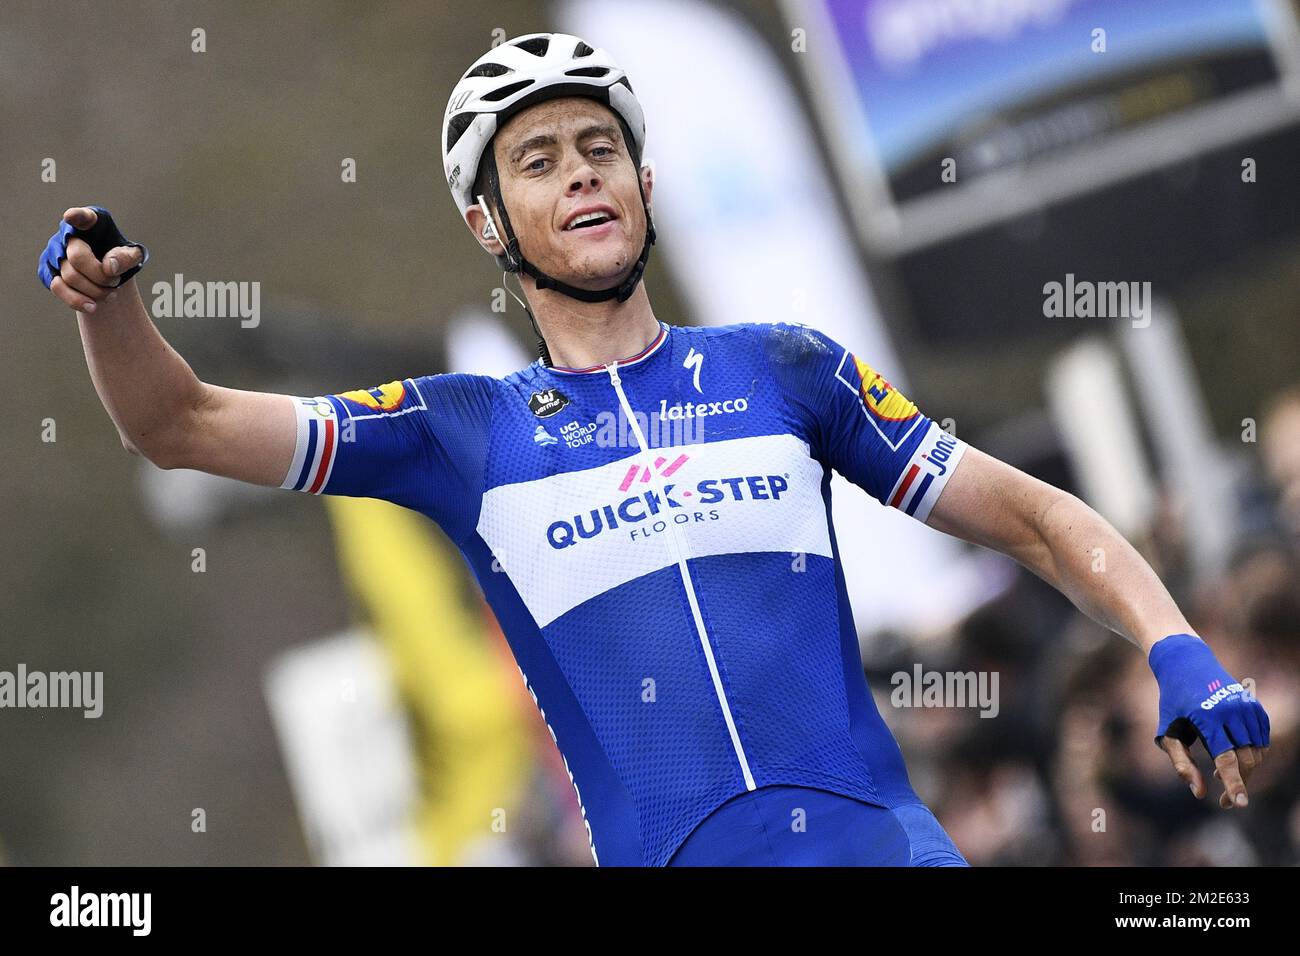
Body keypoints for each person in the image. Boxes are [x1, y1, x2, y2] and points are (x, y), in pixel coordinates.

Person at [37, 32, 1270, 867]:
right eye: (536, 160)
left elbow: (1042, 518)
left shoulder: (786, 367)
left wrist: (1175, 645)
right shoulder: (458, 430)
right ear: (486, 222)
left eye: (598, 149)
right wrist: (111, 308)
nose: (580, 175)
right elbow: (177, 422)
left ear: (639, 177)